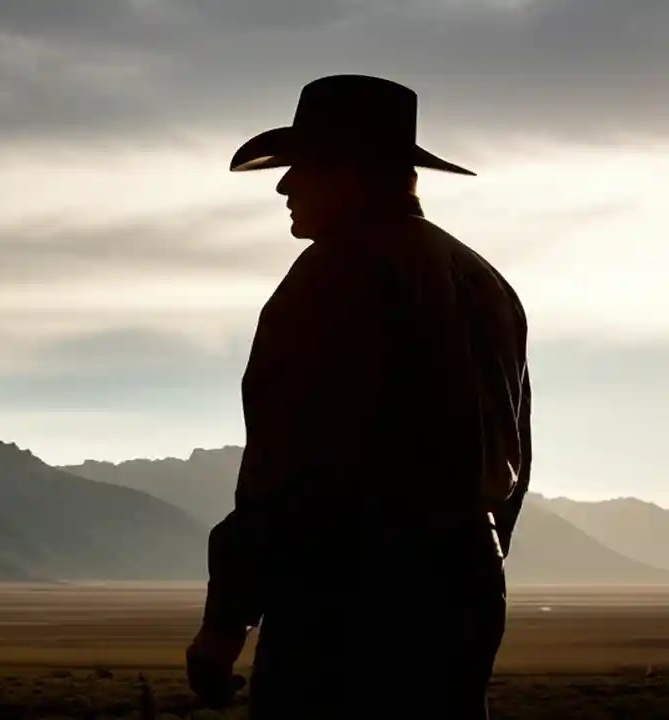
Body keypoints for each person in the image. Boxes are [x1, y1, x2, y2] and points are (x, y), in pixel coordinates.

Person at [184, 75, 532, 719]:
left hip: (349, 592)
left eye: (303, 169)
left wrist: (225, 622)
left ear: (350, 172)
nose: (284, 187)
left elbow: (287, 463)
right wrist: (475, 560)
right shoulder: (487, 282)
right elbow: (517, 448)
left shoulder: (334, 273)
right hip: (469, 584)